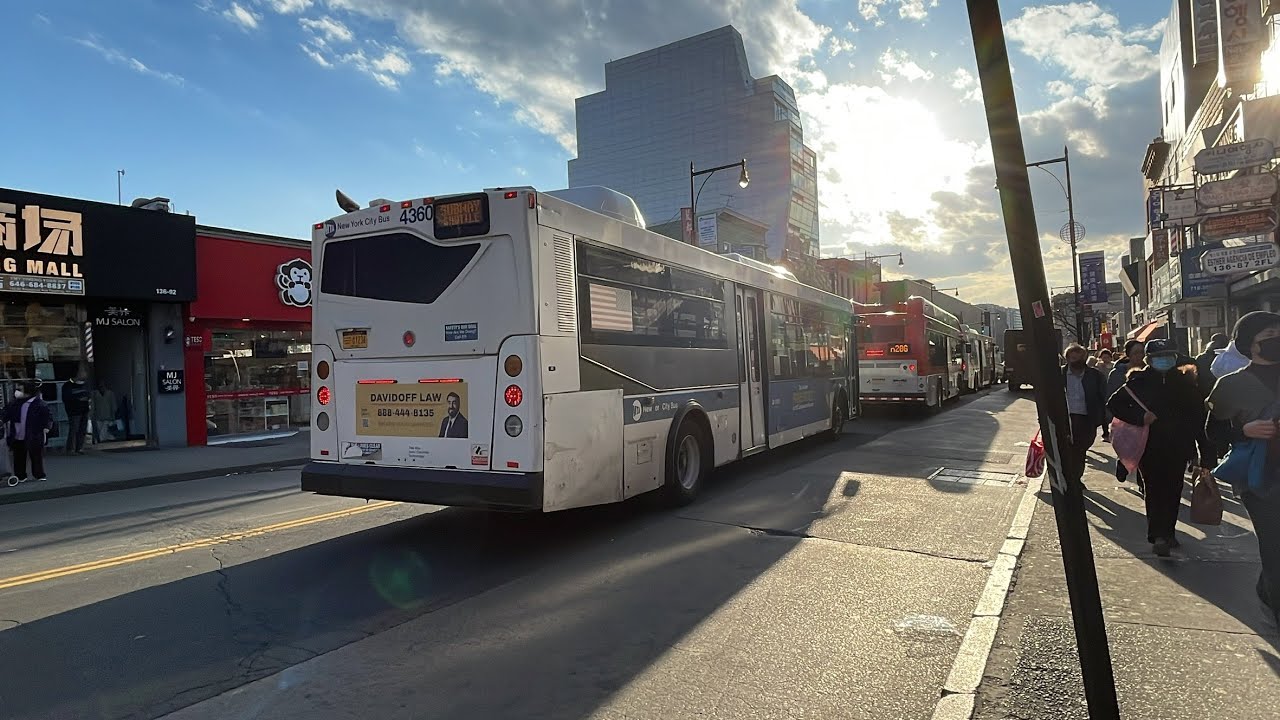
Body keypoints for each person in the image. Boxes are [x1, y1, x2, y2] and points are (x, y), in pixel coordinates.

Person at [1205, 311, 1280, 627]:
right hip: (1260, 477)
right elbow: (1213, 431)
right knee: (1274, 543)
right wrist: (1243, 430)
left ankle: (1266, 589)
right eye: (1269, 335)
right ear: (1250, 343)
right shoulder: (1231, 384)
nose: (1277, 339)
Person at [1108, 339, 1212, 557]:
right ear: (1149, 360)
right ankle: (1158, 535)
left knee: (1173, 489)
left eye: (1168, 356)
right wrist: (1140, 417)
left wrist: (1204, 452)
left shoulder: (1185, 383)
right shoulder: (1139, 381)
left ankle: (1169, 532)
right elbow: (1114, 404)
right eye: (1158, 357)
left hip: (1179, 445)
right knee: (1154, 489)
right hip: (1148, 445)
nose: (1164, 360)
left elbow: (1198, 419)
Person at [1062, 343, 1108, 474]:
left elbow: (1103, 397)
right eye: (1073, 358)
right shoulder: (1060, 374)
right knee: (1067, 450)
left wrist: (1101, 418)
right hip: (1066, 418)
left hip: (1087, 418)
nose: (1076, 361)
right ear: (1067, 359)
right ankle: (1071, 478)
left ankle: (1076, 476)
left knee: (1081, 449)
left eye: (1079, 358)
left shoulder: (1095, 376)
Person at [1108, 340, 1145, 483]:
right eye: (1136, 353)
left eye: (1142, 352)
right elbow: (1112, 398)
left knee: (1144, 450)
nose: (1139, 356)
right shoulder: (1118, 373)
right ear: (1128, 354)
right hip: (1126, 418)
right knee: (1128, 447)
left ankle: (1142, 482)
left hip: (1145, 418)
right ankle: (1122, 463)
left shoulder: (1149, 371)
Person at [4, 381, 53, 483]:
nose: (17, 392)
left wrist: (47, 427)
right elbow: (6, 414)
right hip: (18, 434)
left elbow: (47, 417)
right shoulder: (14, 403)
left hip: (33, 434)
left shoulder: (39, 404)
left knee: (36, 456)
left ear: (28, 391)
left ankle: (39, 474)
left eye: (20, 390)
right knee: (18, 456)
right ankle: (20, 475)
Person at [61, 374, 91, 455]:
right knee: (74, 430)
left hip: (84, 409)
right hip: (74, 411)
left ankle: (79, 448)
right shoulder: (68, 385)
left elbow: (88, 395)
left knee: (82, 429)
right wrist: (78, 399)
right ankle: (71, 449)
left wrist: (87, 399)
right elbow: (66, 398)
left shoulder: (84, 385)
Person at [1096, 349, 1116, 440]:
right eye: (1103, 357)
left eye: (1107, 357)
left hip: (1113, 390)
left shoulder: (1114, 366)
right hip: (1102, 392)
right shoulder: (1099, 367)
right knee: (1104, 413)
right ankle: (1105, 433)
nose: (1105, 359)